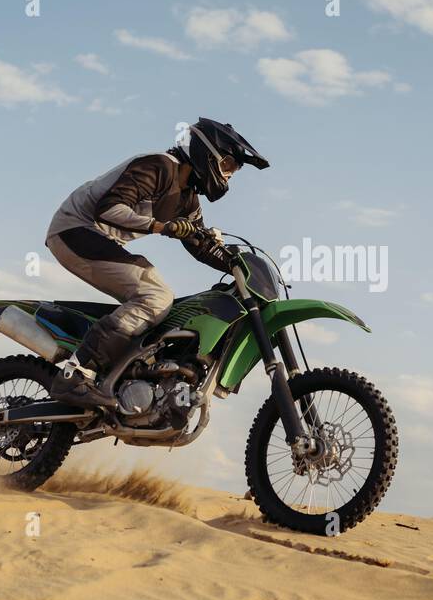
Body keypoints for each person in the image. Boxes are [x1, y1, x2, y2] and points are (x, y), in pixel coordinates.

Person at [43, 118, 269, 407]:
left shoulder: (188, 199)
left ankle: (122, 379)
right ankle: (74, 375)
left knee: (160, 305)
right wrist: (161, 226)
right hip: (75, 231)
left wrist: (238, 264)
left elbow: (200, 246)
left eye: (233, 171)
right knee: (155, 296)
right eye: (228, 166)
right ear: (208, 153)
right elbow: (109, 209)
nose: (228, 176)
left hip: (100, 239)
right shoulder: (159, 166)